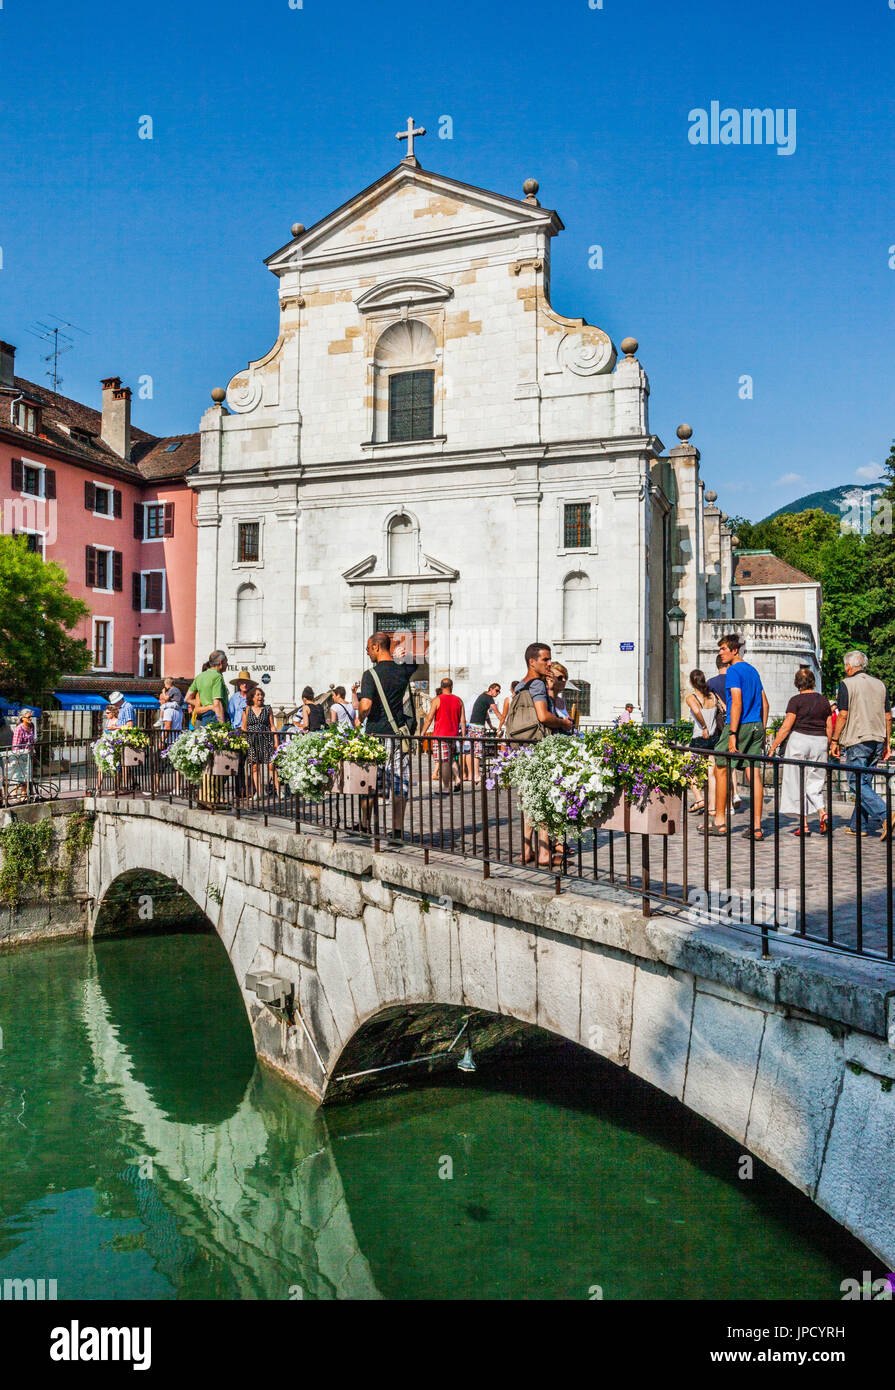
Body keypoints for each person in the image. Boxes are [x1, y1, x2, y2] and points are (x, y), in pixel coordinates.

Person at [509, 642, 573, 867]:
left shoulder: (520, 686)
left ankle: (526, 851)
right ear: (532, 662)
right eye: (545, 660)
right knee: (544, 798)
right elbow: (543, 716)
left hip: (522, 746)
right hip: (538, 745)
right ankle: (545, 854)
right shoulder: (536, 685)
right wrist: (564, 723)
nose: (548, 663)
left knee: (528, 800)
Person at [356, 630, 422, 838]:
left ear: (376, 647)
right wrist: (401, 655)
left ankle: (366, 825)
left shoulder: (370, 674)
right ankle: (397, 830)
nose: (367, 653)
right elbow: (415, 662)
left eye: (368, 649)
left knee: (368, 783)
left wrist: (360, 716)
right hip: (397, 736)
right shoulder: (401, 672)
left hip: (375, 735)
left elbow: (365, 705)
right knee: (399, 783)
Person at [711, 634, 769, 840]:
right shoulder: (753, 670)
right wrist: (761, 731)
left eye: (724, 649)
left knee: (721, 766)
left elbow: (736, 702)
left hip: (739, 724)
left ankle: (719, 821)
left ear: (735, 650)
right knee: (754, 773)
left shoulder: (734, 670)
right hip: (756, 726)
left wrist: (733, 733)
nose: (721, 653)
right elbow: (765, 703)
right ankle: (756, 827)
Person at [830, 650, 892, 837]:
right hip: (878, 739)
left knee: (856, 783)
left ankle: (886, 814)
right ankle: (859, 825)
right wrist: (887, 743)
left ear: (848, 666)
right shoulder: (880, 685)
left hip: (858, 739)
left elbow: (843, 714)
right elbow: (888, 716)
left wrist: (835, 740)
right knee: (864, 783)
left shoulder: (846, 684)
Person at [767, 666, 833, 835]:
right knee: (815, 781)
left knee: (796, 781)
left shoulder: (795, 701)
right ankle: (822, 812)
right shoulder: (824, 700)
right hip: (820, 741)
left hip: (799, 740)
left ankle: (803, 824)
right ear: (813, 682)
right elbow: (829, 726)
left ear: (797, 684)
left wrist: (773, 747)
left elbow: (786, 727)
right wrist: (830, 744)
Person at [685, 669, 724, 815]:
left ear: (691, 682)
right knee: (711, 773)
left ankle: (699, 798)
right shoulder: (713, 696)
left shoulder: (692, 698)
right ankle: (712, 808)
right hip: (714, 737)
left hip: (700, 737)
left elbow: (696, 711)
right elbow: (725, 709)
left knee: (688, 768)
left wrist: (703, 726)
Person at [707, 655, 742, 808]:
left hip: (717, 727)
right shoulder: (734, 680)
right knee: (731, 762)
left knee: (718, 766)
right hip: (734, 725)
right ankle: (735, 794)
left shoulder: (710, 683)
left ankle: (722, 805)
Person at [421, 678, 466, 792]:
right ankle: (458, 779)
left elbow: (429, 718)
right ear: (452, 686)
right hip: (454, 735)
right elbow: (463, 720)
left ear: (441, 687)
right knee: (451, 759)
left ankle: (446, 787)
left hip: (440, 735)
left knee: (443, 762)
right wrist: (464, 736)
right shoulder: (459, 700)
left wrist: (422, 732)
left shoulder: (437, 700)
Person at [242, 685, 279, 800]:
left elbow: (272, 726)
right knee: (254, 767)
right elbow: (244, 727)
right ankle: (259, 792)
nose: (260, 697)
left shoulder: (267, 709)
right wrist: (244, 741)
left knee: (271, 766)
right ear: (252, 697)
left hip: (266, 739)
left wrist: (276, 741)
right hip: (252, 741)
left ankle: (279, 791)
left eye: (261, 695)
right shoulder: (247, 709)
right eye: (258, 695)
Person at [466, 683, 501, 781]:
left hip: (472, 726)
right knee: (477, 751)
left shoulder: (483, 696)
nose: (498, 693)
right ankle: (476, 775)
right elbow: (497, 712)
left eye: (499, 691)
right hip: (477, 727)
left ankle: (471, 775)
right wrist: (504, 722)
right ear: (491, 689)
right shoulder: (489, 698)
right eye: (497, 690)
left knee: (472, 750)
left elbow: (485, 713)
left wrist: (490, 726)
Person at [187, 651, 228, 728]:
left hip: (205, 718)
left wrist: (205, 705)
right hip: (215, 716)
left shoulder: (199, 676)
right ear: (221, 662)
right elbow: (217, 703)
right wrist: (223, 726)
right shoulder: (217, 676)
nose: (227, 664)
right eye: (226, 662)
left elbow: (187, 699)